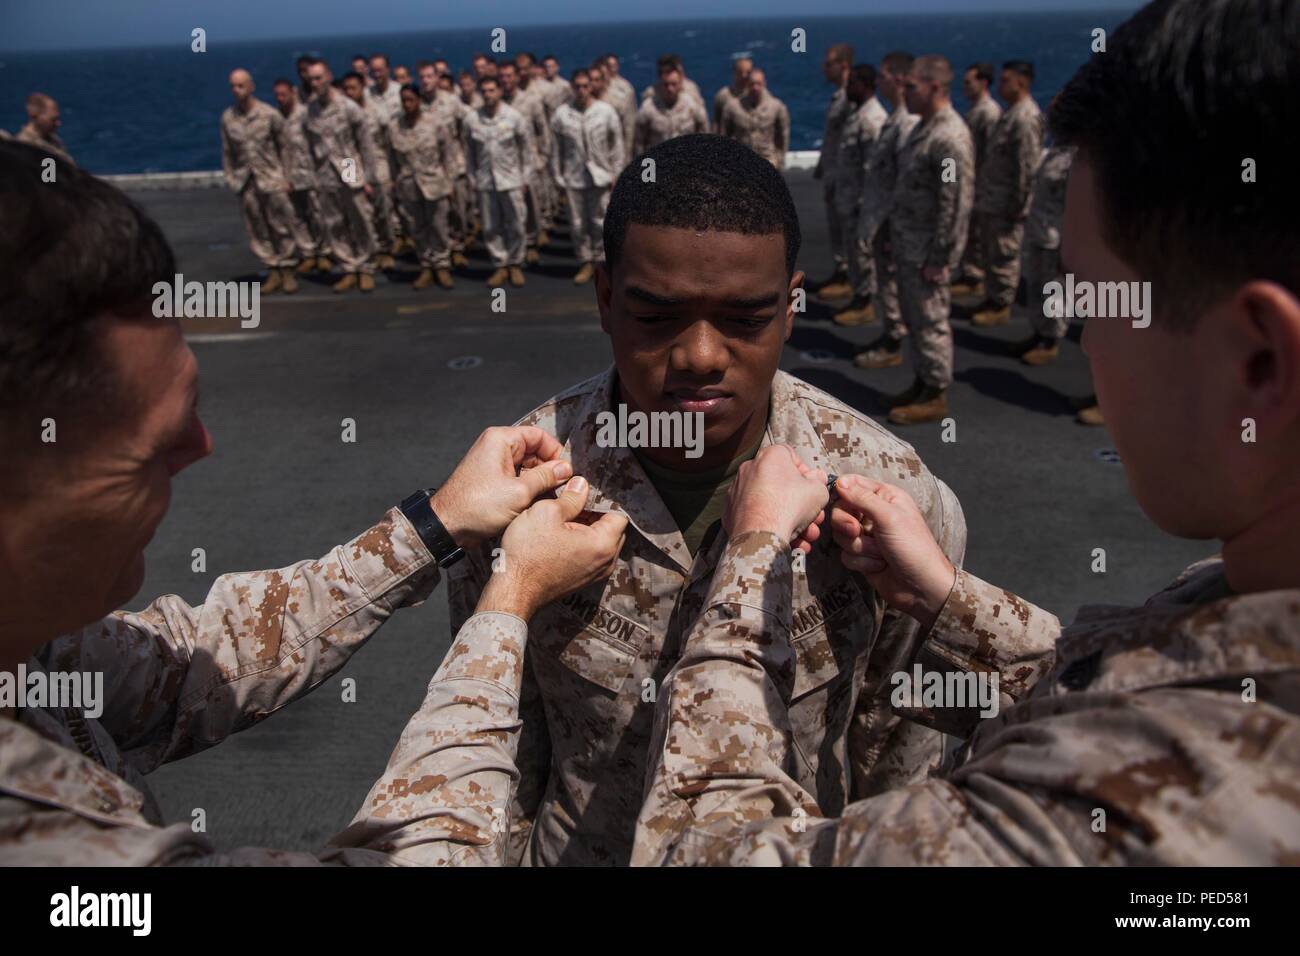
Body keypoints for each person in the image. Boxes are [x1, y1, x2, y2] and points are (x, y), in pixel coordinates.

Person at [634, 0, 1300, 867]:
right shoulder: (1246, 595)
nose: (1081, 336)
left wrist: (750, 557)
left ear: (1258, 365)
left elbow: (696, 852)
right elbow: (1132, 685)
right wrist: (947, 604)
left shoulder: (1101, 814)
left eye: (1093, 297)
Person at [0, 142, 628, 862]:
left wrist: (435, 525)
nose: (200, 446)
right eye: (152, 445)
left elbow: (192, 668)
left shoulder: (27, 650)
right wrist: (509, 602)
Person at [444, 134, 1001, 867]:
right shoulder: (512, 487)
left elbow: (899, 753)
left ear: (791, 305)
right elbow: (500, 743)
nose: (702, 355)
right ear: (607, 300)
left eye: (745, 318)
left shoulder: (889, 493)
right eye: (658, 315)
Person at [885, 55, 975, 425]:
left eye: (912, 87)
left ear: (935, 87)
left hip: (928, 253)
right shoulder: (924, 129)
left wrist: (942, 257)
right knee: (916, 319)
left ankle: (936, 393)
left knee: (931, 320)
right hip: (911, 245)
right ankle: (923, 381)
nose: (904, 93)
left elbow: (955, 205)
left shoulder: (948, 137)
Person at [851, 52, 919, 368]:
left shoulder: (905, 124)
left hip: (893, 223)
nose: (879, 83)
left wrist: (891, 226)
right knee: (887, 282)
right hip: (882, 220)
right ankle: (891, 334)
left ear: (899, 79)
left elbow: (904, 184)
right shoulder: (895, 119)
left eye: (883, 77)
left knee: (894, 286)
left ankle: (895, 343)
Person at [971, 61, 1043, 327]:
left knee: (1004, 255)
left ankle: (1001, 304)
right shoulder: (1010, 114)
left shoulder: (1024, 118)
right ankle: (992, 297)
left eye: (1005, 81)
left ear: (1021, 83)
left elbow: (1026, 167)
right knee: (991, 253)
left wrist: (1018, 205)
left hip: (1006, 203)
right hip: (993, 198)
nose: (1000, 85)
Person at [300, 58, 380, 293]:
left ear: (328, 77)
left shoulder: (348, 108)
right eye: (311, 79)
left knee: (359, 220)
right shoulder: (310, 112)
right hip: (325, 171)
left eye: (319, 78)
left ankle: (365, 267)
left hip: (348, 165)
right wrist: (311, 176)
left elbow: (365, 145)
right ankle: (348, 267)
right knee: (334, 224)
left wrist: (369, 178)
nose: (315, 83)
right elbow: (307, 146)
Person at [220, 70, 300, 294]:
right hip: (246, 180)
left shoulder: (269, 115)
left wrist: (287, 177)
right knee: (257, 227)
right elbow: (228, 152)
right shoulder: (228, 118)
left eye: (241, 85)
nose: (237, 90)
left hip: (271, 178)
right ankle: (272, 268)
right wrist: (232, 179)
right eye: (233, 86)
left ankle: (287, 269)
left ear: (251, 86)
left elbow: (285, 146)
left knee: (281, 225)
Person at [826, 63, 887, 327]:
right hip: (849, 200)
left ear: (864, 85)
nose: (847, 88)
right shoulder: (857, 113)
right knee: (853, 252)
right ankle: (858, 294)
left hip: (861, 204)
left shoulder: (871, 120)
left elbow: (873, 170)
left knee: (863, 255)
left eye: (851, 83)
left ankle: (865, 303)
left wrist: (865, 206)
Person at [550, 68, 623, 285]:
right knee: (577, 223)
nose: (581, 91)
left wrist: (615, 172)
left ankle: (602, 262)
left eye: (585, 86)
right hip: (574, 176)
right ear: (572, 88)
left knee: (600, 221)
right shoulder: (562, 115)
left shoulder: (605, 111)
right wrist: (558, 177)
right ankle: (585, 261)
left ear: (591, 87)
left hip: (600, 176)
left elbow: (616, 144)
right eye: (577, 86)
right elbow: (556, 149)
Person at [462, 75, 531, 288]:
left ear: (500, 91)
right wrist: (473, 178)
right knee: (491, 226)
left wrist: (525, 177)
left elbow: (526, 150)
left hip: (511, 179)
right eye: (484, 91)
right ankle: (500, 264)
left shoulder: (514, 117)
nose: (488, 95)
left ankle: (516, 263)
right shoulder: (472, 120)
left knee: (517, 223)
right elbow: (468, 152)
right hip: (485, 180)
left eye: (492, 90)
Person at [1011, 143, 1075, 366]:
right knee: (1036, 286)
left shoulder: (1079, 157)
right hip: (1038, 230)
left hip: (1056, 235)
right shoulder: (1055, 151)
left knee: (1056, 290)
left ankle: (1051, 340)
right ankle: (1039, 332)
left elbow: (1078, 205)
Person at [388, 83, 456, 290]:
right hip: (409, 184)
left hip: (434, 182)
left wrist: (450, 182)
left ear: (418, 100)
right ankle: (426, 265)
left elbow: (448, 155)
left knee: (438, 226)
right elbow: (392, 159)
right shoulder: (394, 126)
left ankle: (442, 264)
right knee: (417, 228)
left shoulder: (435, 124)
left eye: (411, 100)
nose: (407, 104)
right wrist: (394, 183)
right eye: (403, 100)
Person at [952, 62, 1002, 296]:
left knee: (979, 235)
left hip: (980, 182)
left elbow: (992, 153)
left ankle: (977, 278)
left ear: (983, 83)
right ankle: (970, 273)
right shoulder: (976, 111)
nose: (964, 87)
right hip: (970, 180)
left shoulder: (988, 113)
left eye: (968, 82)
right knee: (969, 232)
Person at [809, 43, 854, 299]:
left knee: (848, 229)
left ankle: (850, 276)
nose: (824, 69)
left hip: (845, 176)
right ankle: (842, 270)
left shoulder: (850, 98)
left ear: (843, 65)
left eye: (829, 64)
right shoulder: (840, 96)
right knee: (837, 226)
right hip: (834, 173)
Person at [341, 71, 398, 269]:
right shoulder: (341, 114)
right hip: (350, 163)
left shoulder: (377, 111)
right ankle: (365, 251)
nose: (349, 93)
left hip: (376, 160)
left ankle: (386, 248)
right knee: (356, 210)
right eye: (346, 89)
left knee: (382, 208)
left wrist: (391, 167)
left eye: (353, 88)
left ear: (363, 87)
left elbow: (388, 140)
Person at [272, 78, 327, 276]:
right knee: (296, 217)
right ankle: (308, 253)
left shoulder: (306, 114)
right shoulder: (275, 118)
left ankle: (324, 252)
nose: (280, 99)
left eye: (283, 95)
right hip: (289, 175)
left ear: (292, 93)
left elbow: (318, 143)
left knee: (318, 214)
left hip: (310, 172)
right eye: (277, 95)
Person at [498, 61, 551, 264]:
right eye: (502, 76)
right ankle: (510, 248)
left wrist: (543, 157)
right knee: (508, 209)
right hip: (504, 164)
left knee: (530, 205)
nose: (506, 80)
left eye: (509, 75)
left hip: (528, 160)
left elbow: (542, 129)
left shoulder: (530, 101)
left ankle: (530, 243)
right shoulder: (496, 102)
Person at [633, 56, 708, 155]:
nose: (670, 89)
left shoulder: (691, 99)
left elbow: (703, 128)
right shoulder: (650, 102)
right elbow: (639, 139)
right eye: (666, 84)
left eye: (674, 84)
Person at [717, 68, 789, 170]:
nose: (755, 87)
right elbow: (724, 136)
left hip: (768, 162)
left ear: (764, 83)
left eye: (759, 84)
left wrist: (779, 160)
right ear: (747, 85)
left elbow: (782, 136)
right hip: (741, 163)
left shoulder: (776, 107)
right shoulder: (733, 107)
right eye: (752, 84)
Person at [592, 59, 637, 168]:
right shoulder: (584, 102)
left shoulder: (618, 100)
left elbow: (628, 129)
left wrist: (627, 159)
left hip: (613, 155)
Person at [16, 92, 72, 164]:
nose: (58, 123)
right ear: (35, 115)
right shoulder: (24, 146)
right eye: (52, 120)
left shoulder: (55, 141)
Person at [712, 55, 752, 132]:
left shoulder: (755, 95)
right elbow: (716, 124)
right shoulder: (723, 96)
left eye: (748, 72)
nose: (744, 75)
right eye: (740, 72)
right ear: (735, 72)